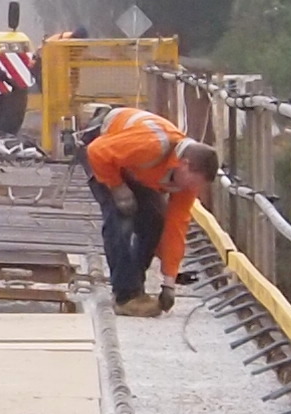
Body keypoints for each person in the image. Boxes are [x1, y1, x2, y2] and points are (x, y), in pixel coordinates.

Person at [80, 105, 218, 311]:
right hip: (103, 152)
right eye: (194, 182)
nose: (194, 189)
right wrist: (117, 187)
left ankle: (135, 288)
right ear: (185, 164)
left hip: (132, 166)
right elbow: (97, 151)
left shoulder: (185, 180)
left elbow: (175, 228)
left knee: (155, 221)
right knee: (122, 218)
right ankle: (125, 297)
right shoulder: (152, 145)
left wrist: (169, 283)